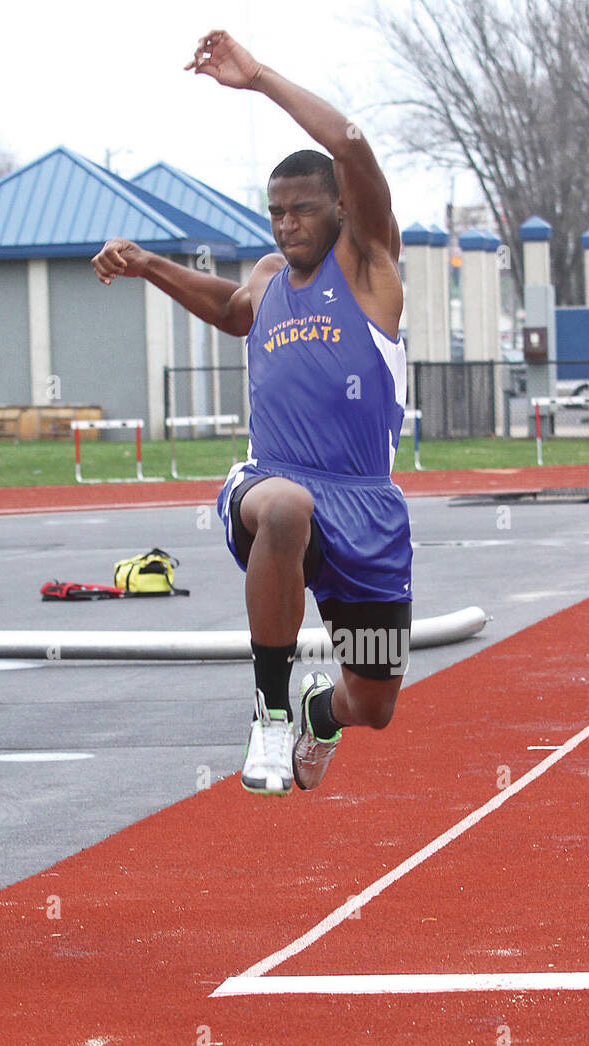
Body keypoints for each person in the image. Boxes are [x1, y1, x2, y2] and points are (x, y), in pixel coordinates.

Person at [92, 29, 411, 797]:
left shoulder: (369, 264)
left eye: (302, 209)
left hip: (366, 503)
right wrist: (149, 265)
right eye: (275, 212)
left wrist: (260, 77)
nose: (286, 224)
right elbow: (232, 309)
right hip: (274, 477)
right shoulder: (269, 278)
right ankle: (269, 710)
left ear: (340, 207)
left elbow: (352, 144)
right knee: (284, 509)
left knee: (374, 704)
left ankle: (316, 712)